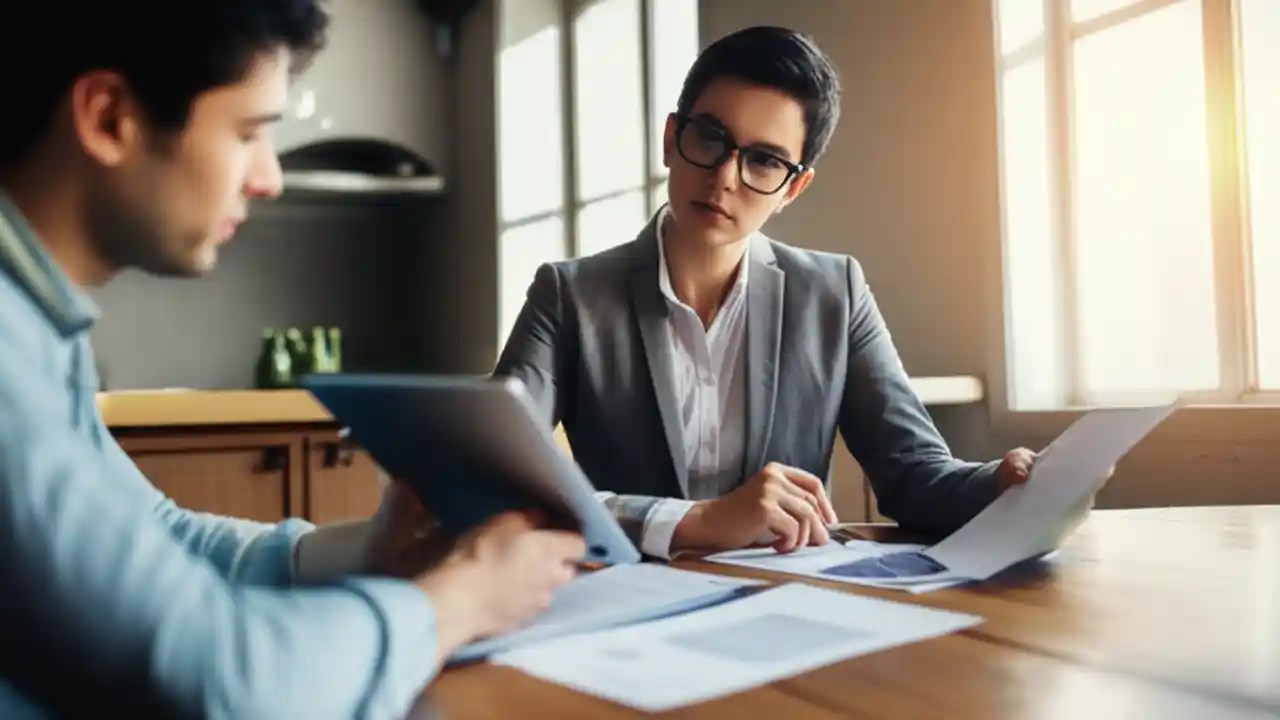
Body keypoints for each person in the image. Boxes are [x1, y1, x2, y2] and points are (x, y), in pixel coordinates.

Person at [0, 2, 584, 717]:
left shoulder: (35, 323)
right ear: (108, 118)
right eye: (249, 132)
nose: (268, 178)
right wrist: (463, 597)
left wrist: (366, 552)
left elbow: (159, 538)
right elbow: (224, 677)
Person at [494, 26, 1038, 560]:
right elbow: (491, 478)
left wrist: (1000, 483)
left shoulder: (835, 292)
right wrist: (696, 522)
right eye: (709, 137)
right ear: (670, 140)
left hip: (785, 599)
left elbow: (915, 475)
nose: (725, 177)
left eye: (764, 160)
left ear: (793, 188)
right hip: (620, 601)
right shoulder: (568, 295)